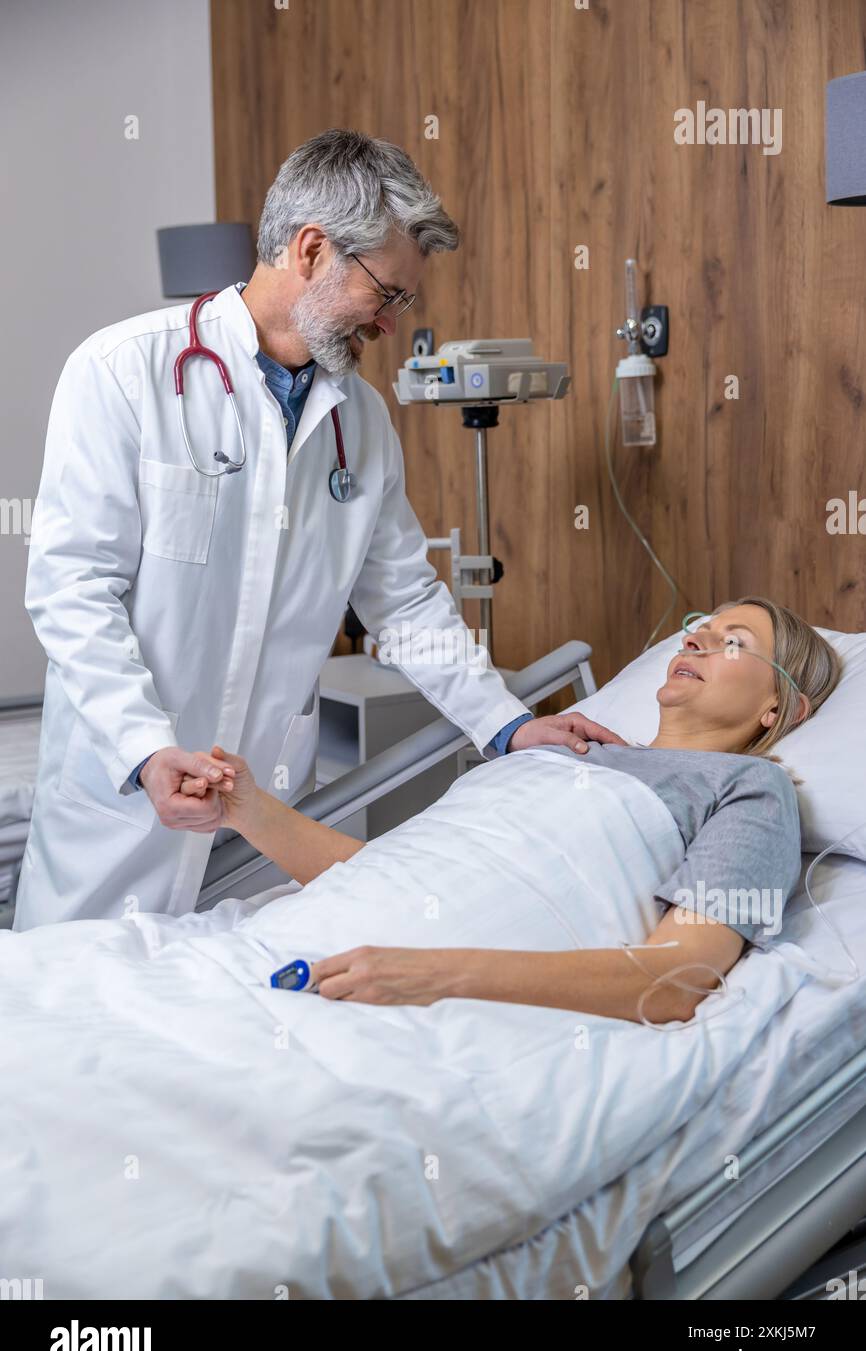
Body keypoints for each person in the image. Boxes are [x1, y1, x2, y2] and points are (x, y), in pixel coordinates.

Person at [14, 128, 619, 932]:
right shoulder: (122, 372)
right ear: (310, 249)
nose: (393, 325)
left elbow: (402, 601)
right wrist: (145, 748)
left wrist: (505, 722)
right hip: (122, 811)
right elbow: (72, 590)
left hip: (261, 820)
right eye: (389, 294)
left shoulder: (359, 422)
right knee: (72, 1034)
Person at [181, 598, 841, 1024]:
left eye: (732, 642)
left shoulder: (751, 791)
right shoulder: (565, 750)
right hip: (288, 950)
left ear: (780, 709)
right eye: (697, 631)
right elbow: (386, 873)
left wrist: (433, 973)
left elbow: (676, 977)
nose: (695, 641)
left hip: (408, 999)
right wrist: (249, 810)